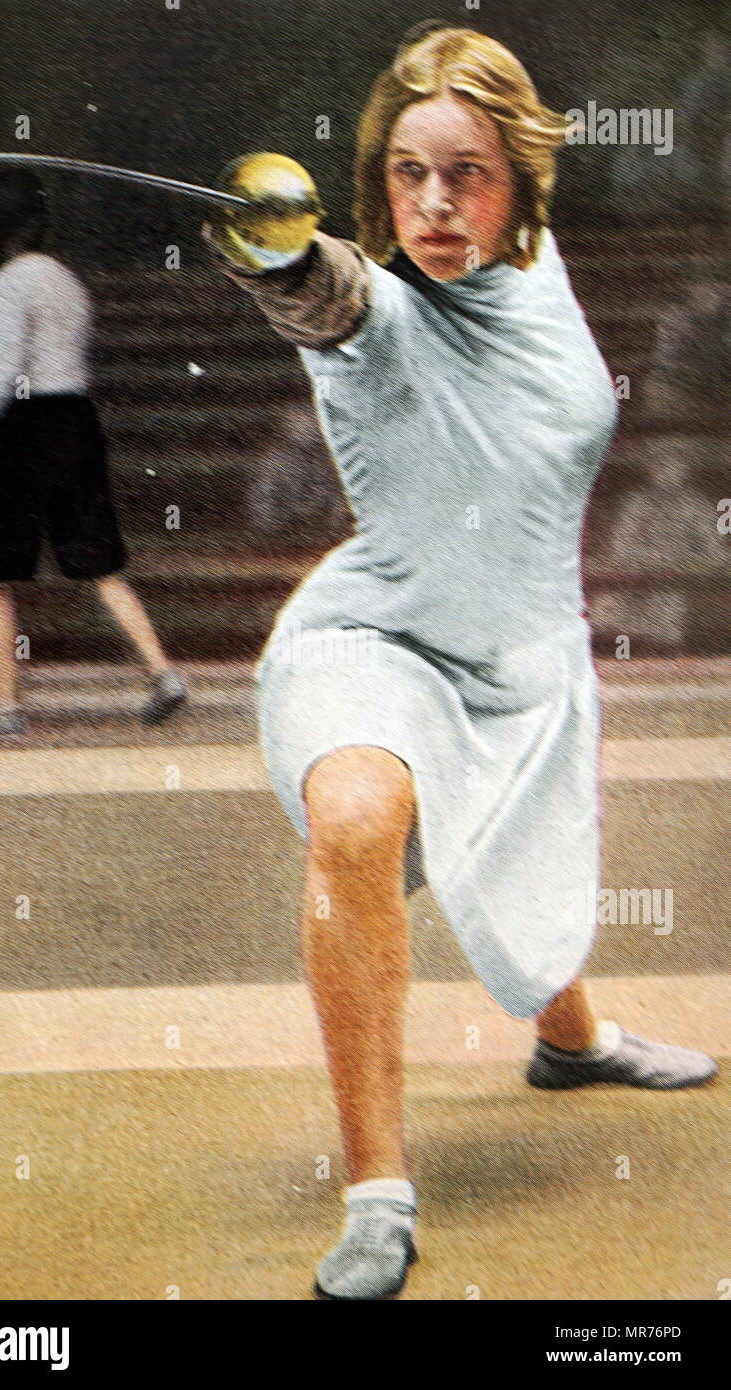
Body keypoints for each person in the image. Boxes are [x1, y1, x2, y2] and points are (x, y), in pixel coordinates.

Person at [203, 25, 718, 1300]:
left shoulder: (538, 279)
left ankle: (574, 1040)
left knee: (533, 870)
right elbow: (328, 293)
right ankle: (378, 1192)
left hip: (530, 653)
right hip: (378, 638)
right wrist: (277, 246)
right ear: (379, 185)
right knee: (360, 813)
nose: (434, 205)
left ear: (519, 183)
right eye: (408, 176)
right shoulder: (376, 316)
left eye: (467, 173)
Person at [0, 167, 188, 742]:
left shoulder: (8, 283)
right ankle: (162, 672)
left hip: (26, 426)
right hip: (75, 421)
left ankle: (2, 705)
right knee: (96, 560)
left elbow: (8, 367)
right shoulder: (65, 279)